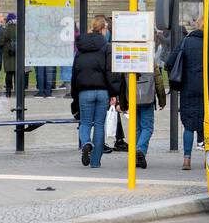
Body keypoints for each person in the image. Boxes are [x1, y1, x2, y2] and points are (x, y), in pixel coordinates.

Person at [71, 16, 120, 168]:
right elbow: (110, 72)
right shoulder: (106, 47)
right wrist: (114, 93)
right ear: (104, 29)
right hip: (102, 91)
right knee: (99, 125)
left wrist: (75, 93)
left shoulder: (81, 48)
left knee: (85, 122)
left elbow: (75, 71)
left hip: (84, 91)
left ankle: (86, 142)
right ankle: (95, 162)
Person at [167, 17, 206, 171]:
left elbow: (170, 62)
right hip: (206, 90)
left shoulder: (186, 42)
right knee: (206, 124)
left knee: (188, 124)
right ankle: (207, 159)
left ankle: (187, 160)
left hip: (188, 88)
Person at [132, 57, 168, 170]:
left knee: (137, 128)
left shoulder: (128, 62)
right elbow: (159, 82)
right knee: (147, 128)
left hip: (133, 98)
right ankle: (140, 150)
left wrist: (123, 103)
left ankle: (136, 157)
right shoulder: (149, 60)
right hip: (147, 98)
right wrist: (162, 100)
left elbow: (123, 82)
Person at [0, 13, 29, 96]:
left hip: (8, 54)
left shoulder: (5, 29)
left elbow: (0, 42)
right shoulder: (20, 28)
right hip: (18, 53)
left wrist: (5, 47)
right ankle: (19, 92)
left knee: (9, 73)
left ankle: (8, 91)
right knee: (17, 74)